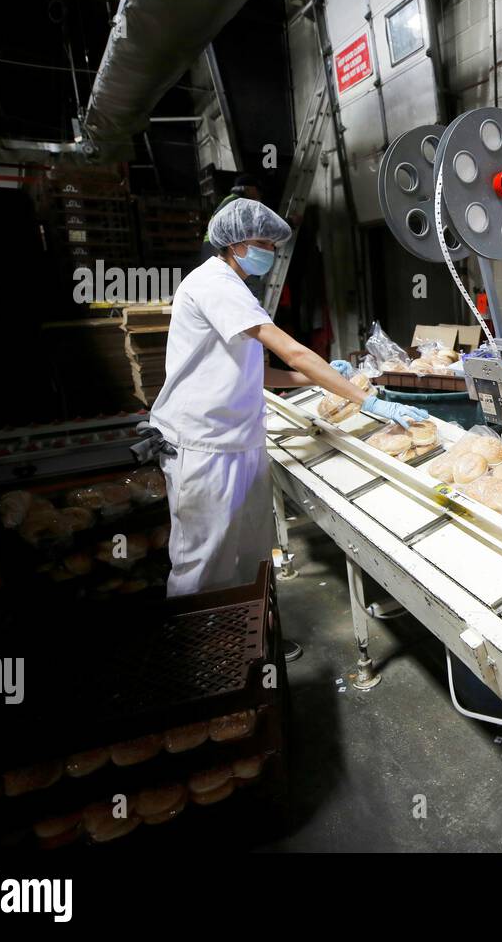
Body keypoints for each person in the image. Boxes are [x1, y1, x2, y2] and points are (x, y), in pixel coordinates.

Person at [150, 199, 427, 660]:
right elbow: (293, 351)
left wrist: (315, 378)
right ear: (232, 243)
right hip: (202, 445)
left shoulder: (235, 287)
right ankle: (195, 664)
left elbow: (256, 372)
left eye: (273, 247)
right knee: (203, 560)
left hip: (238, 439)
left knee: (249, 554)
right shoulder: (215, 285)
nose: (268, 255)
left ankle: (247, 647)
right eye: (261, 244)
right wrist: (366, 400)